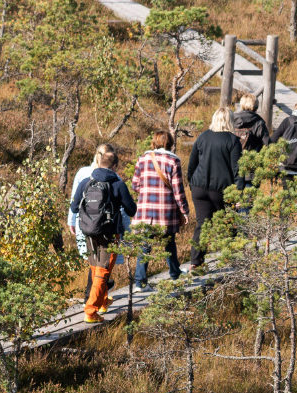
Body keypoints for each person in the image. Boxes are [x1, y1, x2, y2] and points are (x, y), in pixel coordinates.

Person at [69, 143, 137, 323]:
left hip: (88, 232)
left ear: (98, 162)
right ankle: (91, 311)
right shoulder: (118, 184)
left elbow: (74, 207)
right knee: (103, 271)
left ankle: (103, 300)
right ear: (114, 166)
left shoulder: (86, 182)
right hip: (109, 234)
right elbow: (131, 210)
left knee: (95, 268)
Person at [130, 129, 192, 287]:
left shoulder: (143, 158)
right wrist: (184, 211)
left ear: (154, 142)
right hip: (165, 211)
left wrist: (147, 191)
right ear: (170, 143)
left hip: (145, 209)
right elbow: (178, 190)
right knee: (169, 243)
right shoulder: (173, 161)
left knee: (144, 245)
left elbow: (135, 185)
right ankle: (175, 273)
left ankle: (139, 283)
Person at [185, 109, 243, 269]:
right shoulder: (233, 141)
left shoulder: (203, 137)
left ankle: (196, 263)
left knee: (202, 225)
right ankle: (232, 260)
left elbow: (192, 164)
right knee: (229, 223)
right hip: (221, 190)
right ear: (230, 121)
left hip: (199, 188)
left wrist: (191, 183)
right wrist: (238, 193)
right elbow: (237, 170)